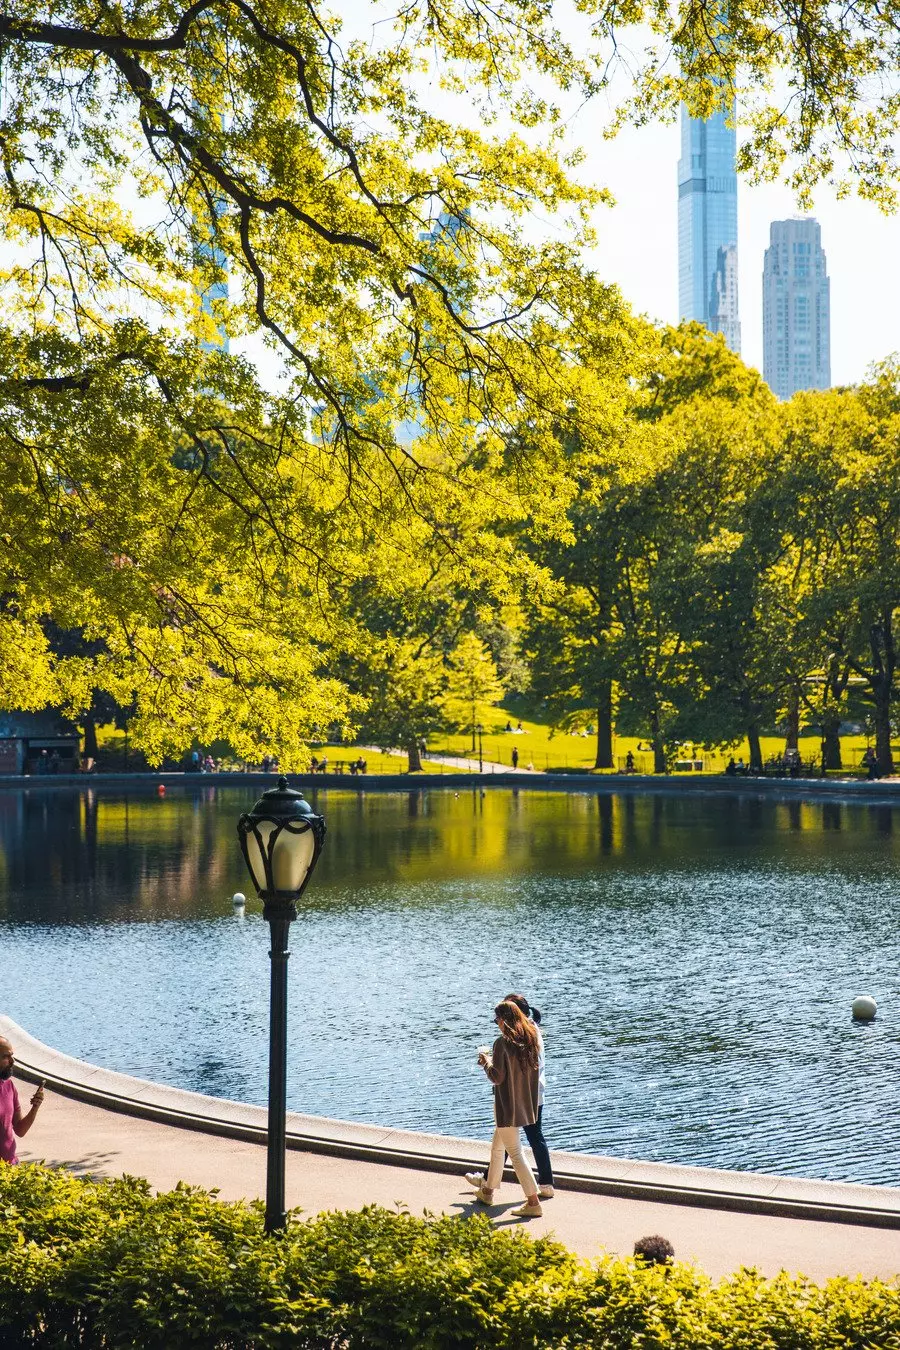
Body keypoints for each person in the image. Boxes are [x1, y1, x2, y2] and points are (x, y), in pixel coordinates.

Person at [464, 1000, 543, 1218]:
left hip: (506, 1106)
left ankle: (533, 1202)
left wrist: (486, 1062)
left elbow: (497, 1077)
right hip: (523, 1104)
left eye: (497, 1019)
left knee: (515, 1153)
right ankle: (487, 1192)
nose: (496, 1023)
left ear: (505, 1020)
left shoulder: (502, 1043)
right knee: (498, 1148)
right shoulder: (530, 1039)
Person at [503, 993, 553, 1198]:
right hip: (534, 1092)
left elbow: (524, 1065)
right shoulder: (532, 1029)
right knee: (512, 1136)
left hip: (524, 1094)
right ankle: (547, 1183)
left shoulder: (526, 1033)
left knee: (512, 1136)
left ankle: (488, 1181)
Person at [0, 1037, 43, 1165]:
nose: (12, 1061)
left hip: (11, 1165)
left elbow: (20, 1130)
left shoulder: (9, 1086)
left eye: (11, 1055)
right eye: (6, 1057)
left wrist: (35, 1106)